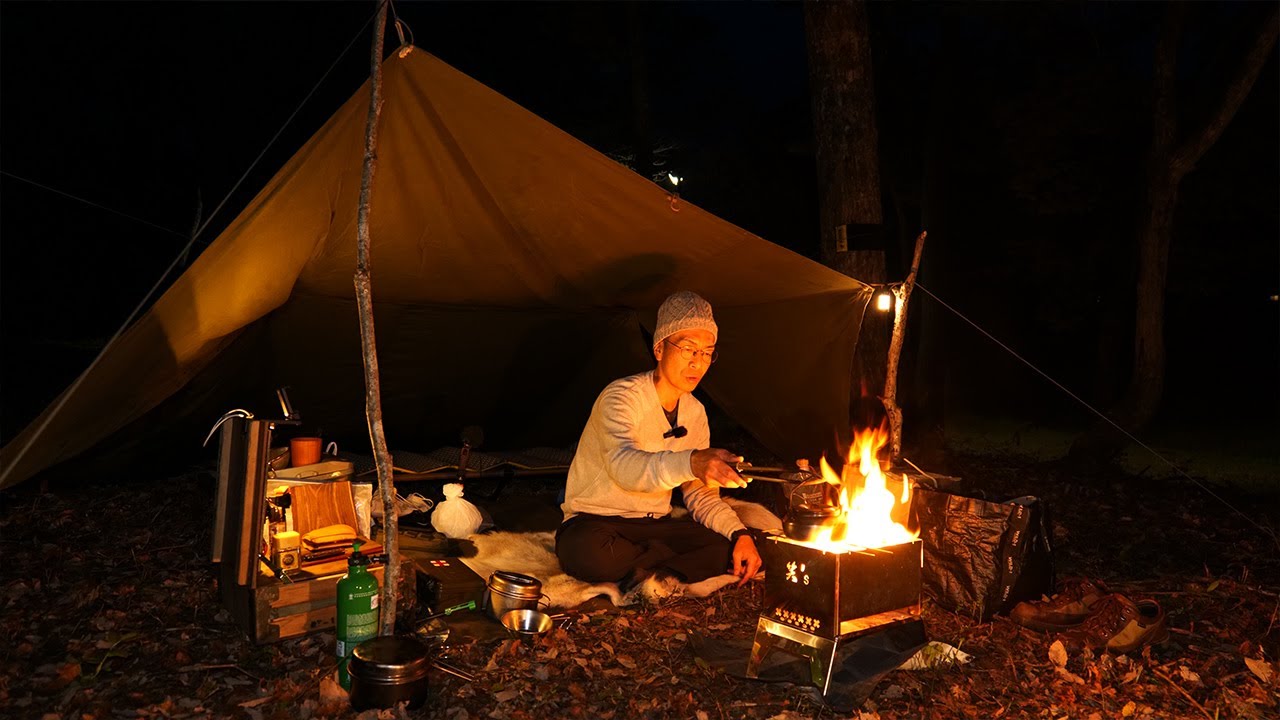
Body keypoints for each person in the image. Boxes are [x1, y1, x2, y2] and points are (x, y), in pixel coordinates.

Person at [555, 291, 763, 601]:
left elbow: (700, 494)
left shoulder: (695, 412)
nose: (698, 362)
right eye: (689, 349)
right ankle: (666, 567)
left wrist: (740, 534)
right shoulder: (621, 396)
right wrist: (691, 461)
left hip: (654, 526)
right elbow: (624, 466)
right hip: (596, 523)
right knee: (586, 554)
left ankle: (655, 575)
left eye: (707, 352)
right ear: (659, 349)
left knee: (730, 547)